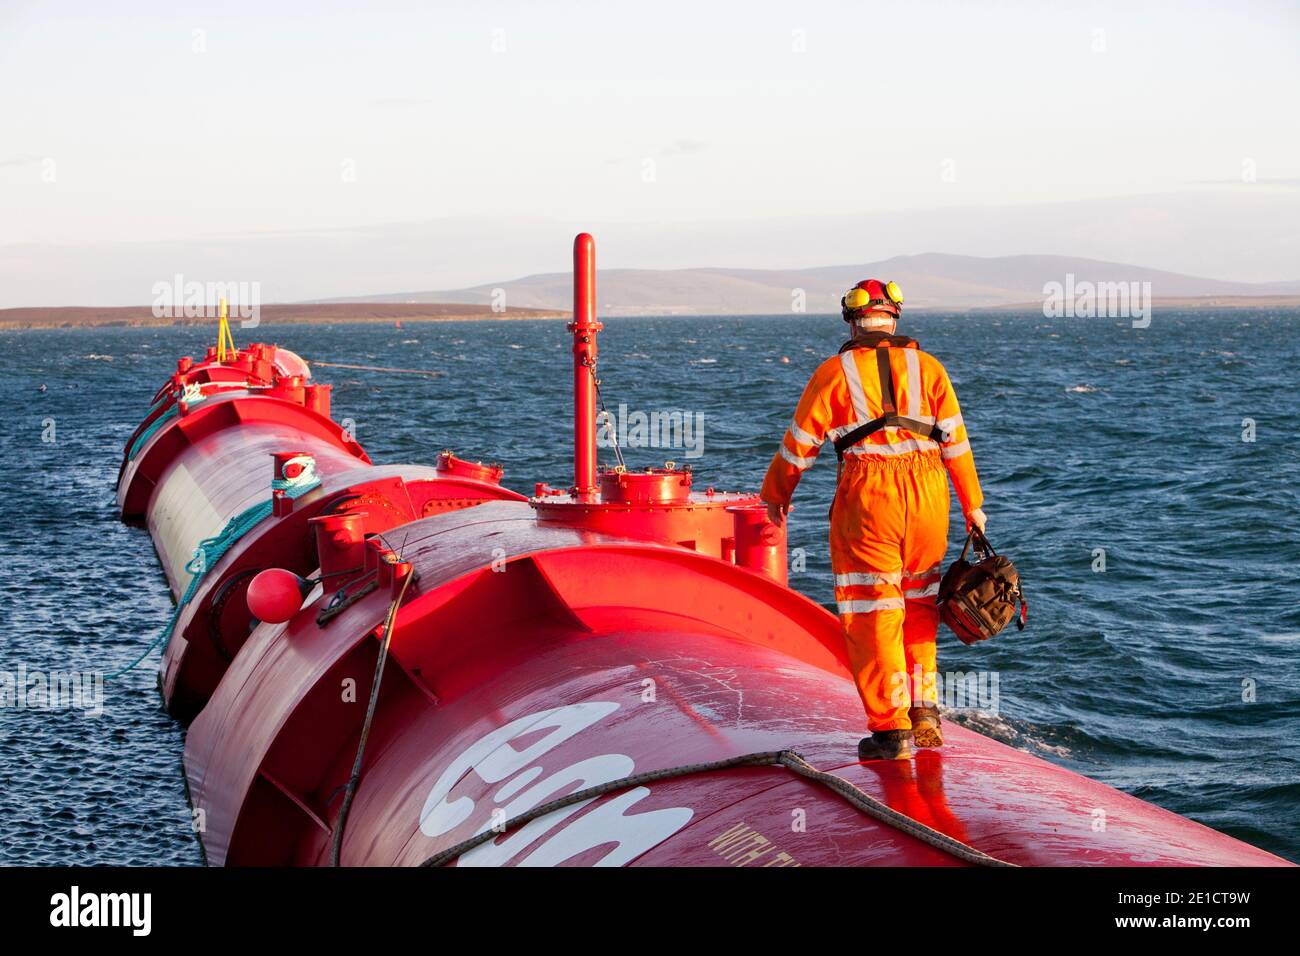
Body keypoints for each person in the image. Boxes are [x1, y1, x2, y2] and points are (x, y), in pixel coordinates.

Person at [760, 279, 987, 760]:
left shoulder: (833, 373)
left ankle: (891, 730)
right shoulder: (929, 369)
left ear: (852, 320)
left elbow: (799, 446)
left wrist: (775, 496)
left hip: (869, 496)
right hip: (930, 497)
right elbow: (957, 445)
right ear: (895, 317)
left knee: (872, 610)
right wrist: (973, 506)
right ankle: (925, 708)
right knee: (920, 602)